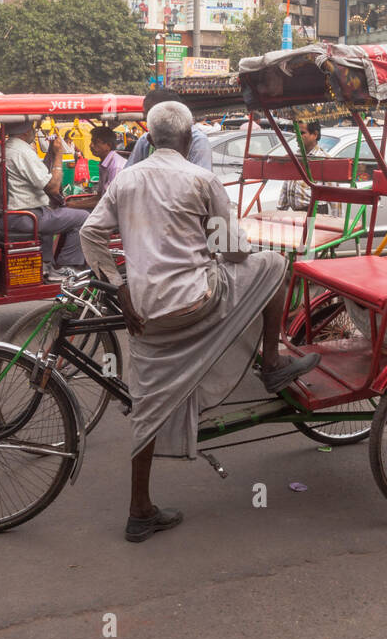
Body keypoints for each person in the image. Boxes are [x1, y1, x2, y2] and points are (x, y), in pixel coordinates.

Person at [79, 101, 321, 542]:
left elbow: (90, 233)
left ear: (149, 140)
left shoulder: (126, 180)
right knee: (273, 264)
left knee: (146, 407)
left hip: (145, 313)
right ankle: (270, 363)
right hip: (197, 302)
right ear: (189, 139)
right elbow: (232, 251)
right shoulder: (201, 179)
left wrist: (120, 289)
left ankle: (139, 511)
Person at [3, 118, 90, 274]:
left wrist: (51, 153)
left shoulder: (9, 147)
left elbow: (40, 174)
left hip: (17, 214)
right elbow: (53, 187)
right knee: (82, 217)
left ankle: (46, 264)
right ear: (26, 131)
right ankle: (67, 267)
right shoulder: (21, 151)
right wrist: (58, 155)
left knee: (54, 213)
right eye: (34, 129)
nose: (35, 133)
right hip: (25, 216)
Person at [127, 88, 213, 172]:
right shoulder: (145, 140)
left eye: (151, 113)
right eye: (146, 114)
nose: (146, 119)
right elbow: (129, 174)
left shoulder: (198, 140)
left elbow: (201, 181)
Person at [277, 119, 332, 215]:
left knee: (310, 230)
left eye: (302, 133)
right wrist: (279, 212)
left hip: (315, 212)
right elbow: (286, 188)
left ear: (315, 134)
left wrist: (339, 225)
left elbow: (334, 198)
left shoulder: (324, 159)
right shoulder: (295, 158)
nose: (297, 137)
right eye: (296, 133)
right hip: (298, 214)